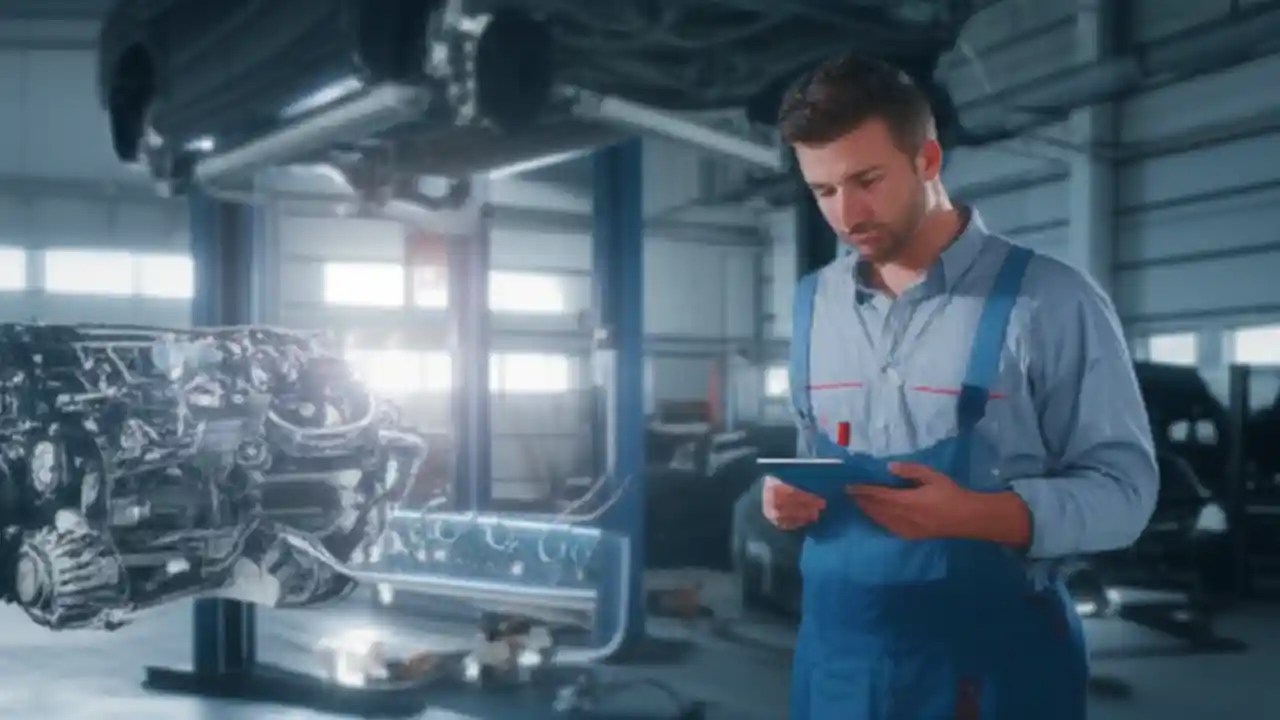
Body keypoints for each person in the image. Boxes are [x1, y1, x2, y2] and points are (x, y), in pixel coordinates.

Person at [763, 53, 1159, 720]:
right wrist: (786, 497)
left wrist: (976, 515)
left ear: (927, 160)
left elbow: (1126, 494)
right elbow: (813, 451)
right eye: (824, 191)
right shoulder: (812, 304)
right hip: (837, 664)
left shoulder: (1051, 301)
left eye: (866, 180)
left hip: (992, 670)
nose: (847, 214)